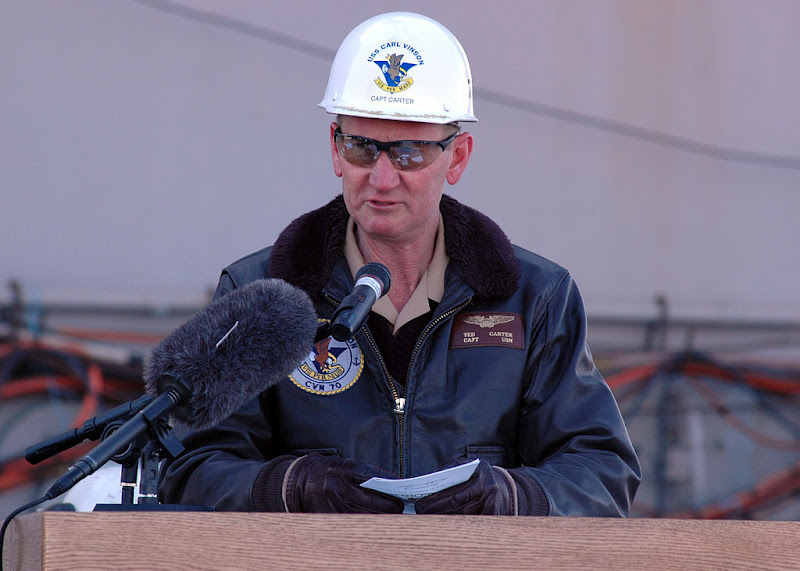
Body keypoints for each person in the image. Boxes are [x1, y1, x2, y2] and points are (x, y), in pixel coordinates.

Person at [159, 11, 641, 516]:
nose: (382, 179)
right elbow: (194, 470)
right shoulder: (262, 294)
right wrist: (291, 486)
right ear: (335, 150)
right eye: (363, 148)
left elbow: (601, 473)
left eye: (409, 152)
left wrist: (510, 498)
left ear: (457, 158)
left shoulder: (535, 298)